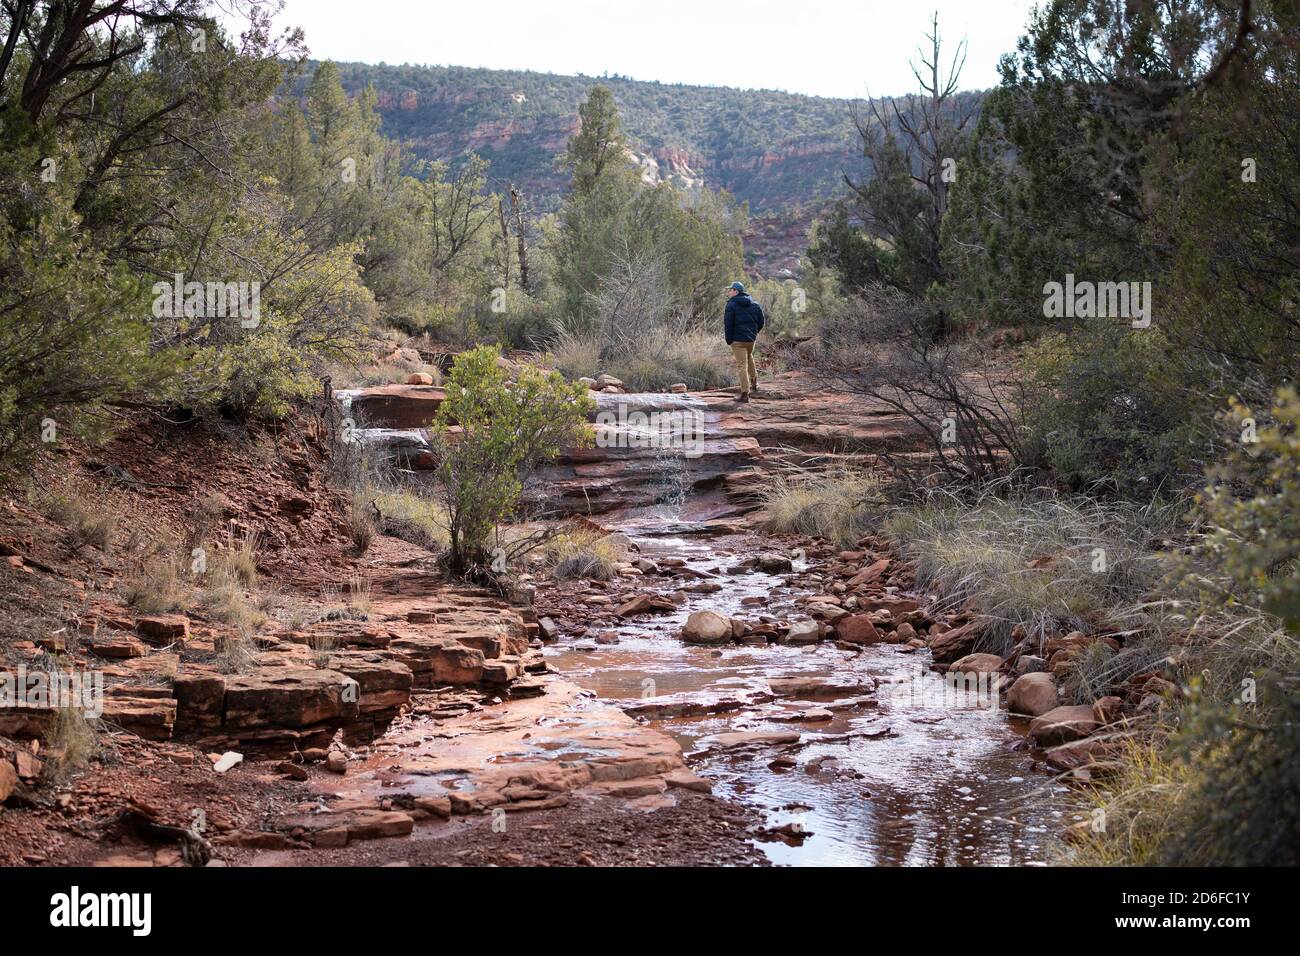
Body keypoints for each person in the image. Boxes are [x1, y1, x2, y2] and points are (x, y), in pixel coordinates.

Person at [723, 281, 764, 403]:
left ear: (736, 291)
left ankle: (745, 394)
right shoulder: (755, 304)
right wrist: (754, 333)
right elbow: (761, 322)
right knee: (749, 357)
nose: (729, 292)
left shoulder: (731, 305)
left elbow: (728, 325)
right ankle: (754, 383)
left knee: (742, 365)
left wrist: (729, 339)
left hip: (738, 340)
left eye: (730, 290)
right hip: (751, 340)